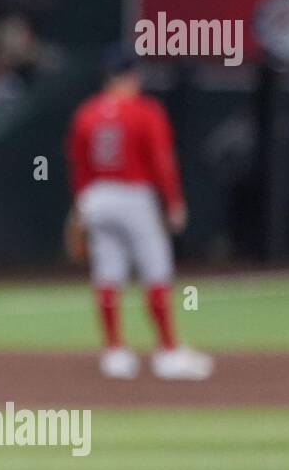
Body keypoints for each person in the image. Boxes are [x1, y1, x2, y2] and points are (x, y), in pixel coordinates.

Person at [64, 46, 212, 380]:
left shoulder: (86, 113)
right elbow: (162, 161)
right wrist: (173, 201)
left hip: (96, 196)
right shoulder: (145, 111)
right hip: (133, 195)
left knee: (108, 271)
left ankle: (115, 353)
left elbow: (78, 165)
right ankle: (168, 352)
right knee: (156, 269)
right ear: (131, 76)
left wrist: (79, 205)